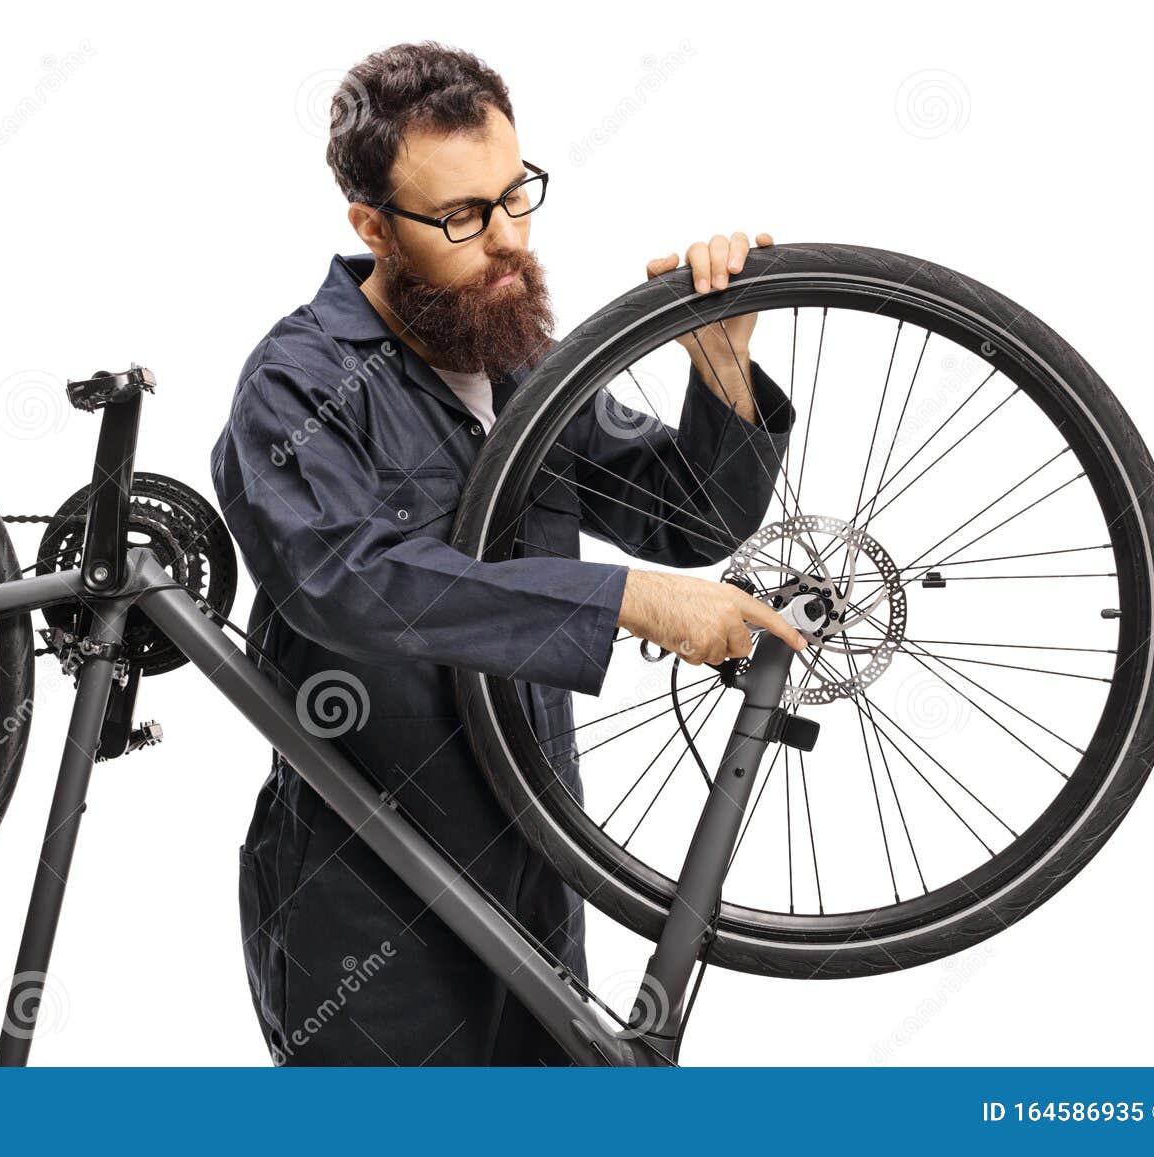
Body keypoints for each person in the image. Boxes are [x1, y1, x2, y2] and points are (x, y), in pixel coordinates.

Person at [210, 41, 804, 1066]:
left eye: (514, 195)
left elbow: (685, 521)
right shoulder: (295, 384)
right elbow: (344, 580)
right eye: (460, 216)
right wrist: (618, 599)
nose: (506, 241)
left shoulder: (516, 360)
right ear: (370, 226)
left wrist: (723, 372)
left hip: (536, 861)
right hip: (367, 900)